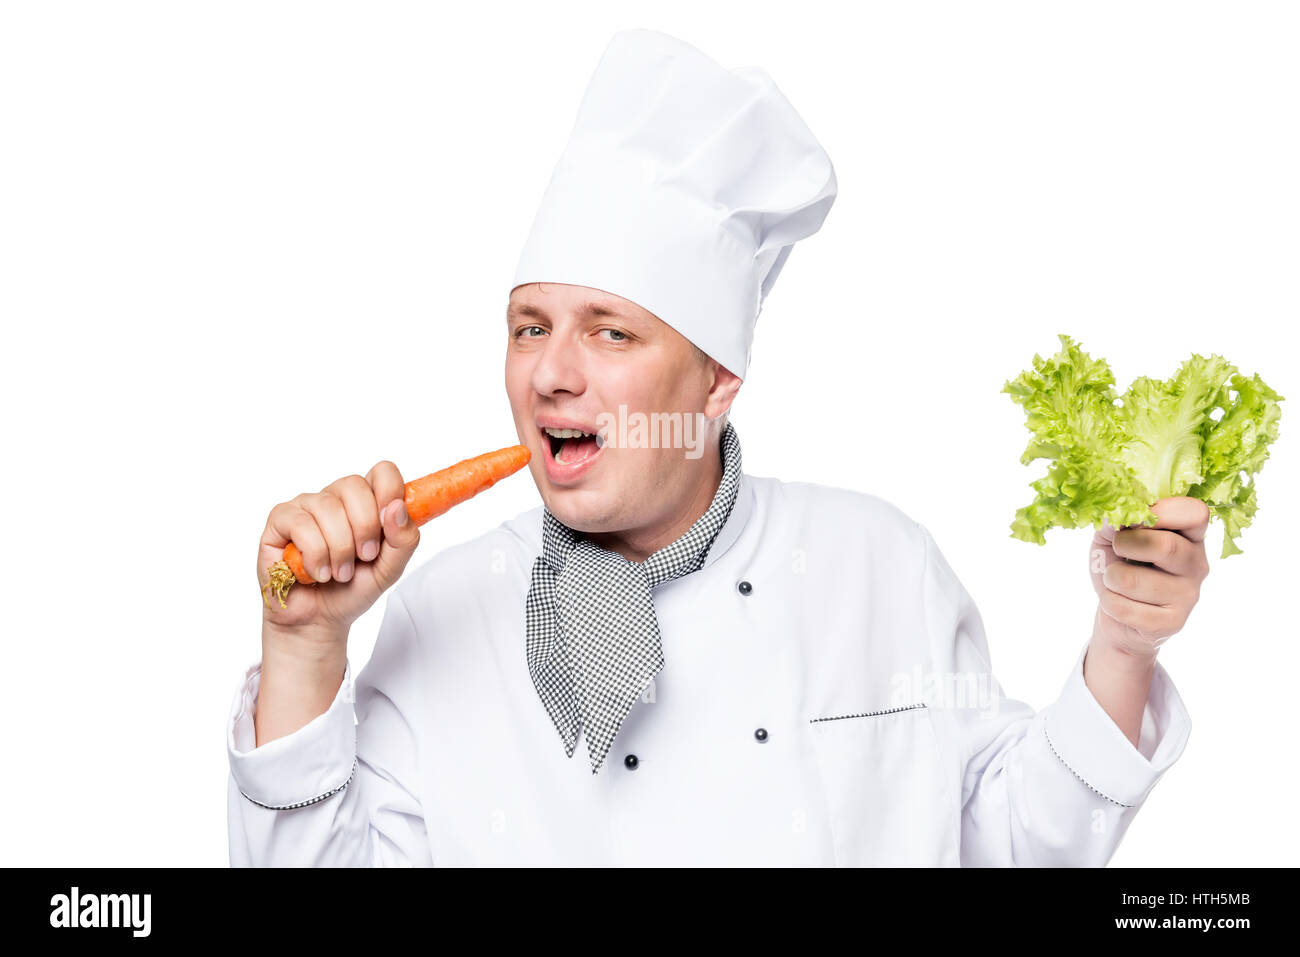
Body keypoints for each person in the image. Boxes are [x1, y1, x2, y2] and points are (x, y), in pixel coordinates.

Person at [227, 28, 1201, 867]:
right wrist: (304, 648)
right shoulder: (447, 610)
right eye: (529, 326)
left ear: (716, 382)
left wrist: (1123, 643)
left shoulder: (877, 565)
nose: (551, 374)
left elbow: (1015, 847)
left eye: (610, 331)